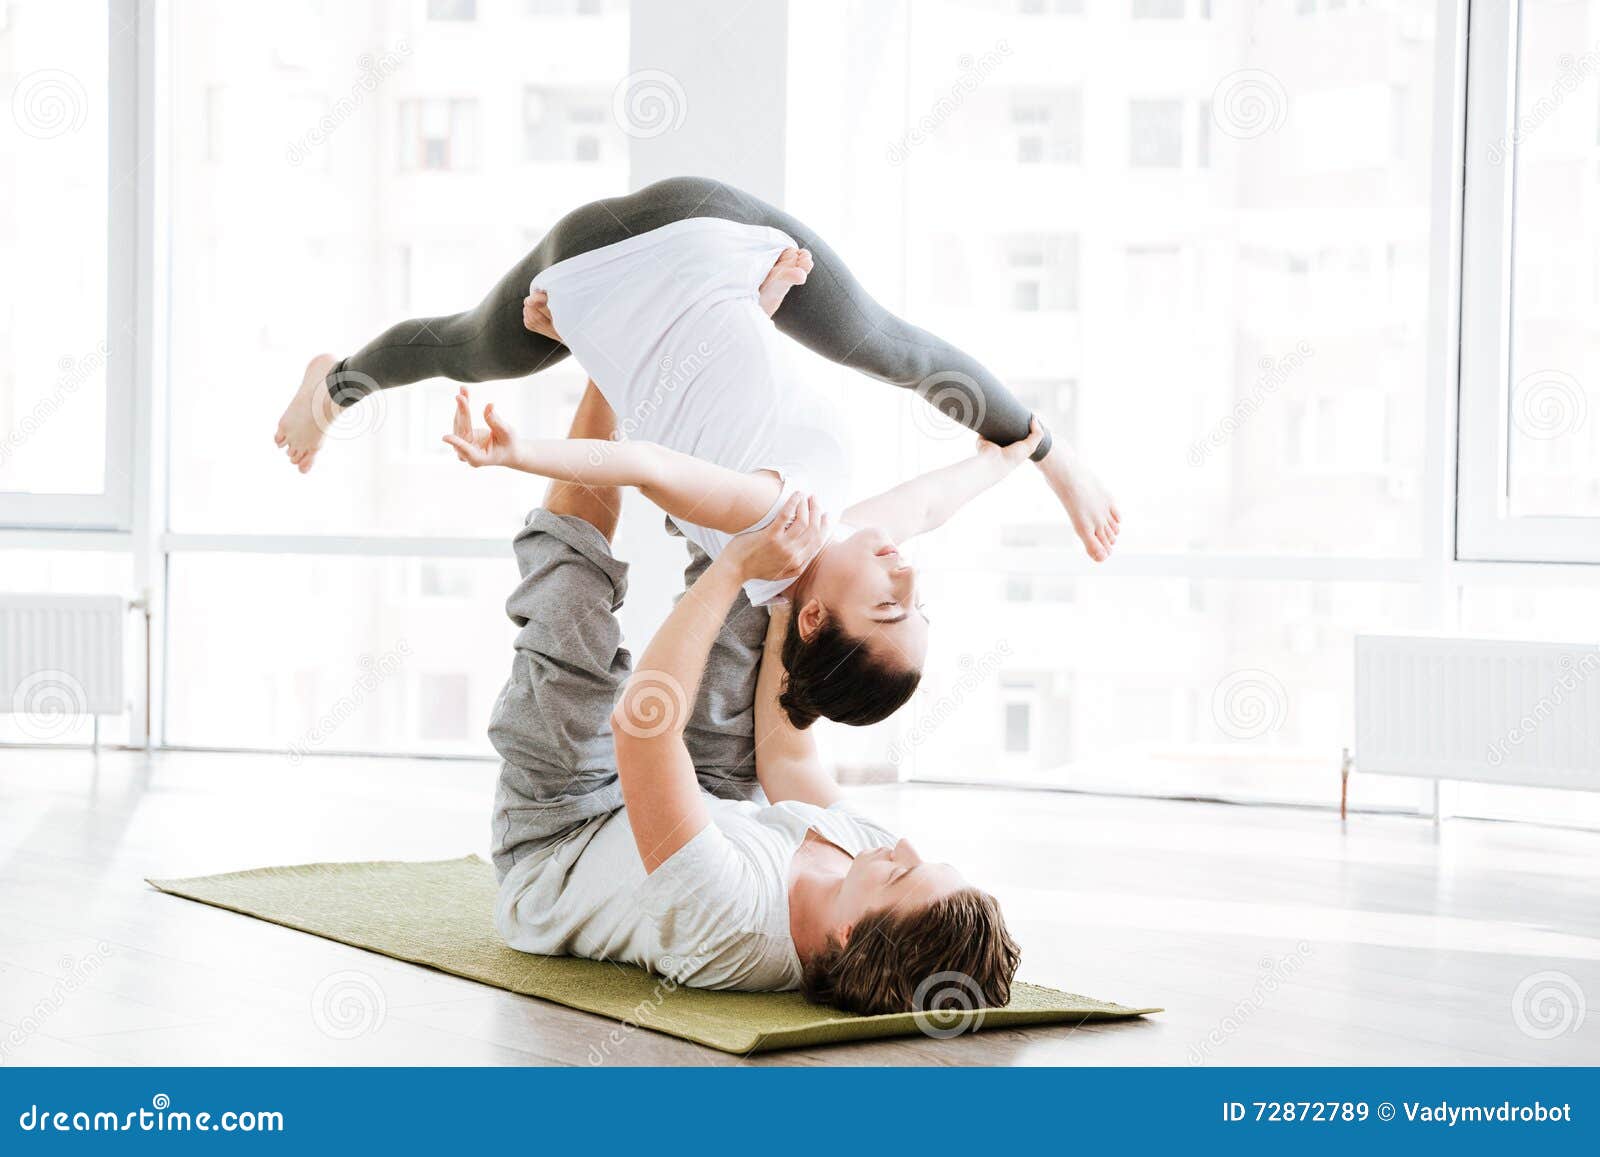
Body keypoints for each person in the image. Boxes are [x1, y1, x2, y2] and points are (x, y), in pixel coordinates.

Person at [491, 386, 1020, 1011]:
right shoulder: (867, 860)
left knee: (572, 614)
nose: (904, 849)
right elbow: (787, 758)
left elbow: (643, 729)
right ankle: (661, 378)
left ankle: (603, 379)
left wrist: (737, 567)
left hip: (567, 832)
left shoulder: (731, 920)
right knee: (781, 569)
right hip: (709, 801)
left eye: (902, 872)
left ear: (849, 934)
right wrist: (790, 602)